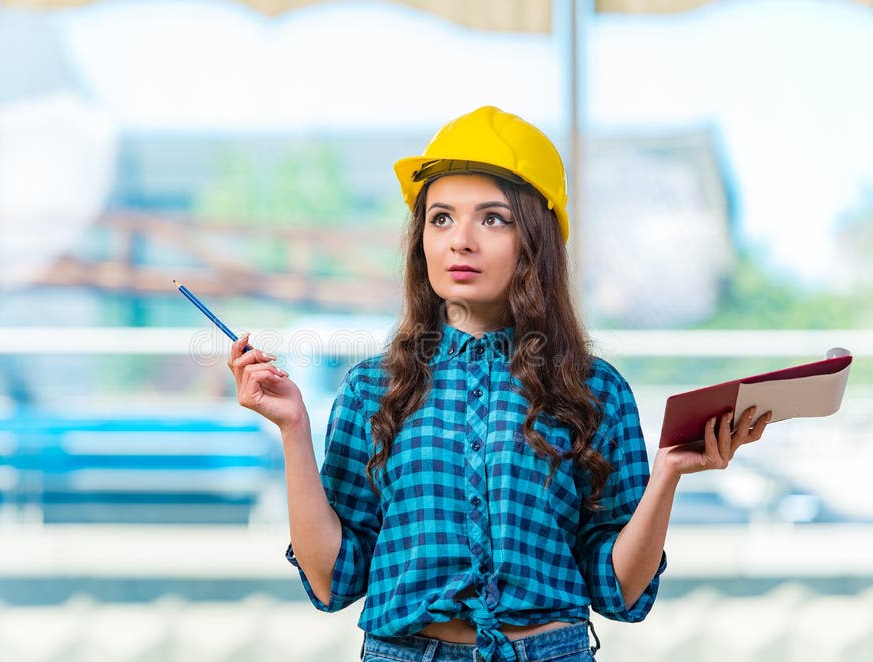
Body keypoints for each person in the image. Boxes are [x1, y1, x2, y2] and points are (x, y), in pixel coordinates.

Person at [227, 106, 771, 662]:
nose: (460, 240)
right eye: (440, 218)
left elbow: (620, 594)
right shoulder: (372, 389)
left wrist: (669, 476)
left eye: (492, 219)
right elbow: (332, 583)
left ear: (535, 241)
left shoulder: (595, 391)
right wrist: (293, 428)